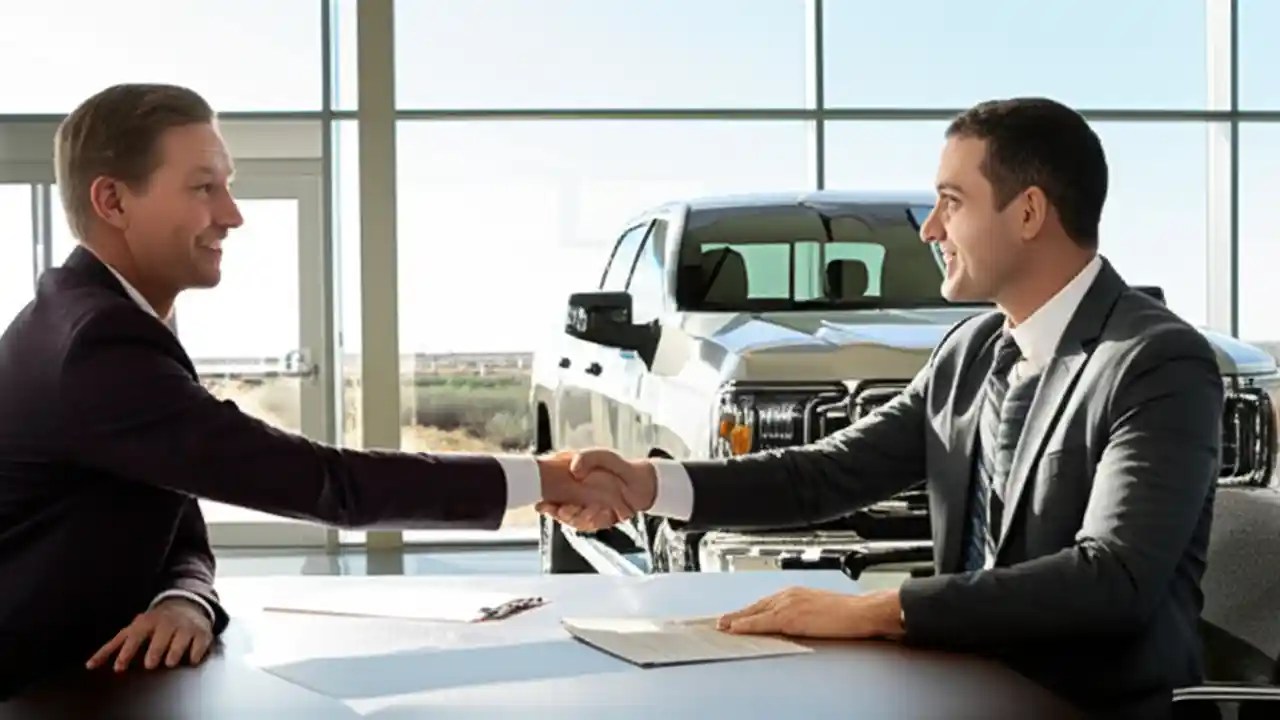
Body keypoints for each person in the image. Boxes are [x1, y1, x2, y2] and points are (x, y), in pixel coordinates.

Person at [543, 98, 1222, 717]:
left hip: (1089, 706)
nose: (930, 229)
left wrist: (881, 609)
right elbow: (827, 473)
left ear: (1027, 213)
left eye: (950, 202)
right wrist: (648, 483)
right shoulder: (972, 351)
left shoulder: (1155, 360)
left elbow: (1113, 578)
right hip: (958, 683)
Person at [0, 83, 628, 697]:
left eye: (227, 185)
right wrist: (545, 479)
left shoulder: (99, 320)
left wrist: (183, 597)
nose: (232, 214)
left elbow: (175, 508)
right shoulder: (96, 347)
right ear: (112, 200)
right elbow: (325, 482)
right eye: (203, 187)